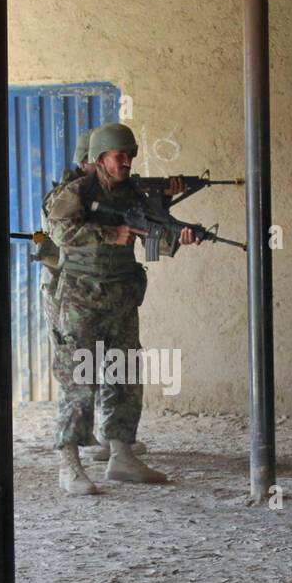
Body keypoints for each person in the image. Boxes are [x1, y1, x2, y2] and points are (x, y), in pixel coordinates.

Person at [44, 122, 195, 495]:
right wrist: (109, 234)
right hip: (80, 298)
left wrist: (178, 235)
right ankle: (69, 462)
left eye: (130, 155)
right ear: (100, 159)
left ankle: (122, 454)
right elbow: (59, 232)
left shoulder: (132, 194)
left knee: (124, 376)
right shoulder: (75, 192)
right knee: (79, 380)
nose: (126, 161)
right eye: (119, 156)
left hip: (121, 298)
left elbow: (153, 229)